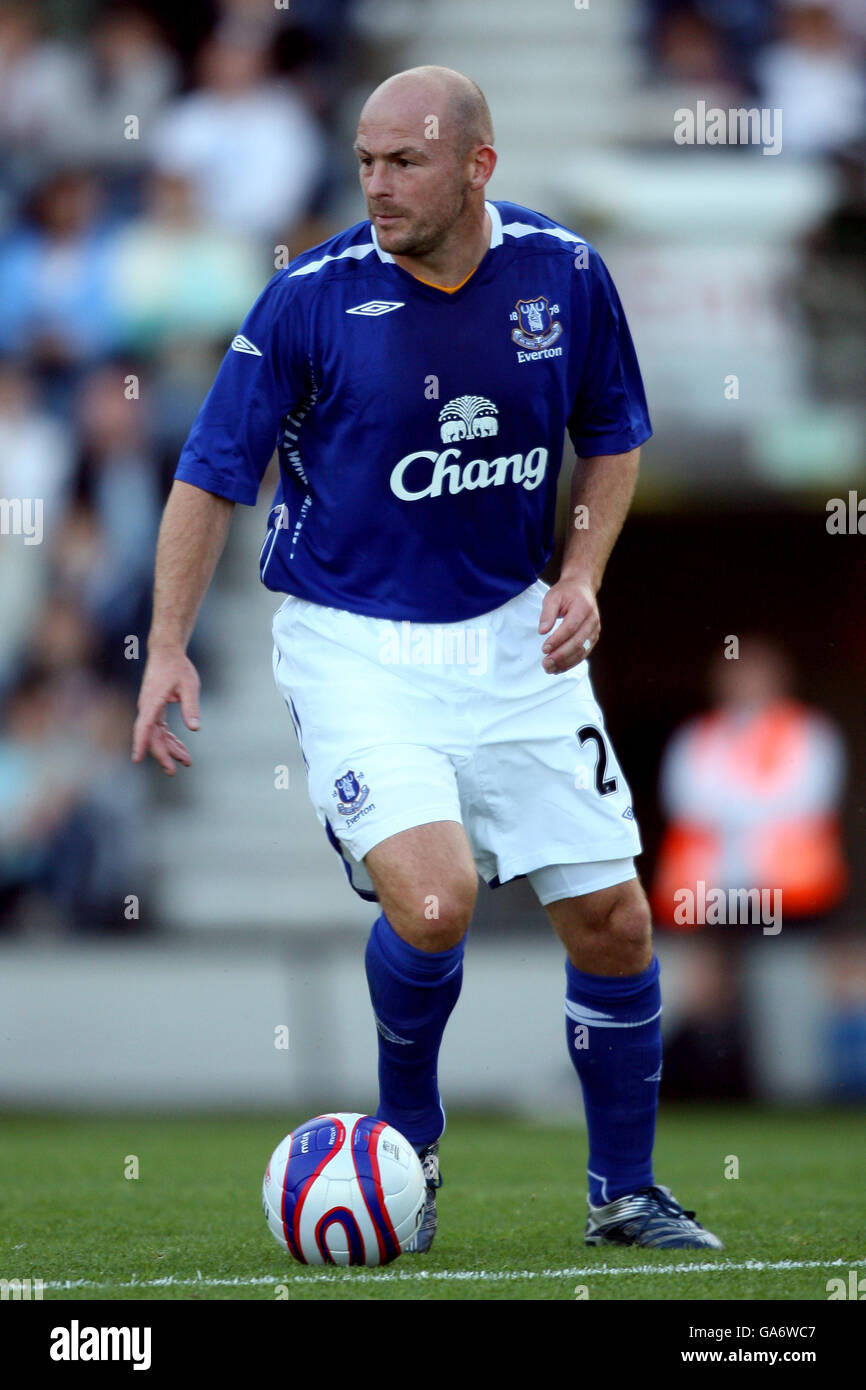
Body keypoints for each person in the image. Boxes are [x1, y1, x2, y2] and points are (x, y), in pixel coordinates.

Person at [133, 65, 722, 1253]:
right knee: (438, 898)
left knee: (612, 917)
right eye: (364, 160)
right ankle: (410, 1139)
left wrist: (582, 574)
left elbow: (609, 436)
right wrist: (168, 648)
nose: (376, 184)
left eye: (403, 162)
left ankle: (626, 1193)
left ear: (476, 165)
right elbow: (208, 474)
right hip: (354, 640)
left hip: (515, 636)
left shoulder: (562, 273)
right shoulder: (309, 296)